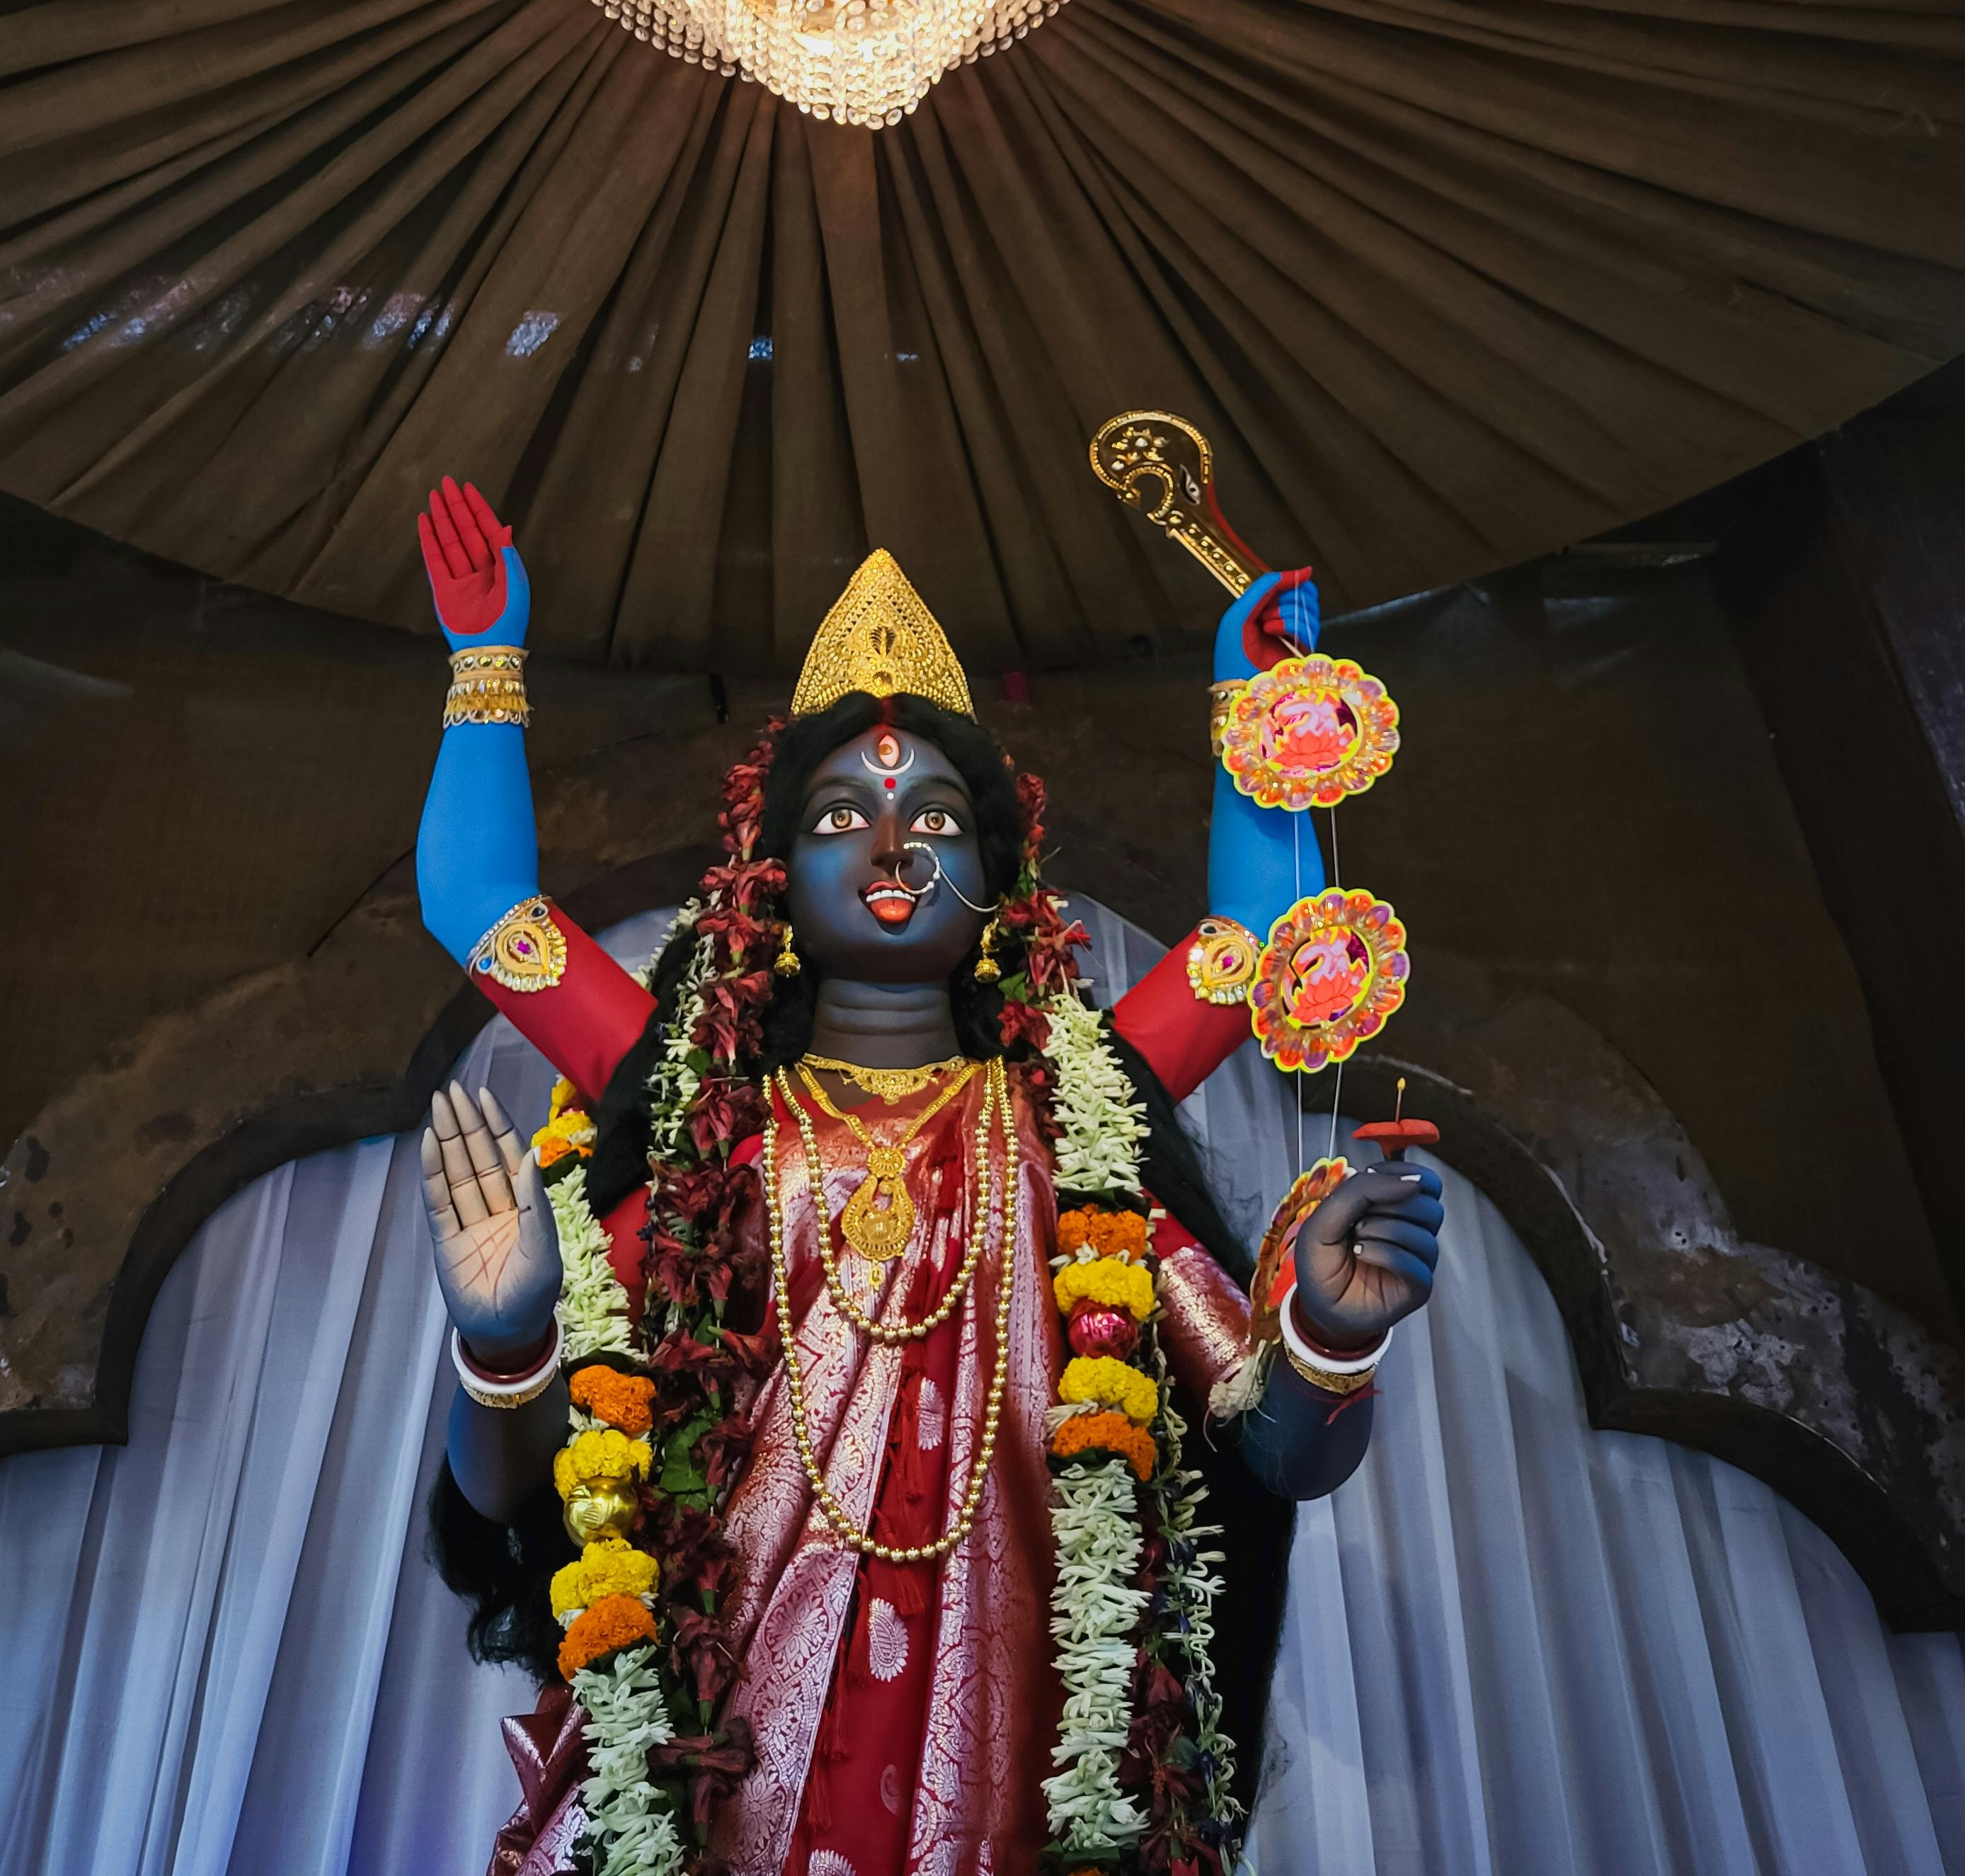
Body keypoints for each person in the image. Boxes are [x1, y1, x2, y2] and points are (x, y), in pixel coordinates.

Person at [411, 480, 1442, 1876]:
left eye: (934, 816)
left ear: (1003, 886)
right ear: (769, 881)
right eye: (838, 817)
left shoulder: (1070, 1133)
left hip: (1017, 1782)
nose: (891, 844)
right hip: (726, 1783)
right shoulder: (707, 1124)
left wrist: (1332, 1329)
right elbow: (487, 913)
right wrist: (505, 1340)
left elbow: (1276, 1446)